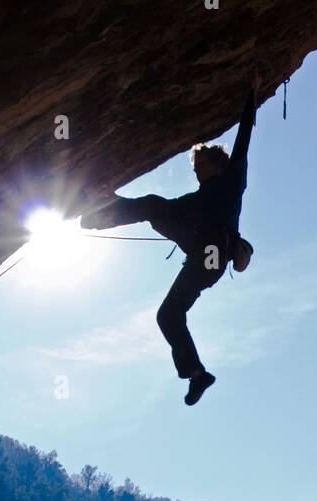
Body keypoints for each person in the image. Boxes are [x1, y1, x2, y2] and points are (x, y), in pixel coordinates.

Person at [82, 83, 259, 405]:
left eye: (200, 166)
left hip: (211, 251)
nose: (196, 172)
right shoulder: (196, 198)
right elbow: (157, 209)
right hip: (200, 254)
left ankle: (99, 211)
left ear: (217, 164)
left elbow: (244, 139)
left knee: (153, 206)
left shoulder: (231, 181)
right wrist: (117, 201)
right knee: (168, 315)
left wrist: (252, 94)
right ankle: (197, 374)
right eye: (194, 169)